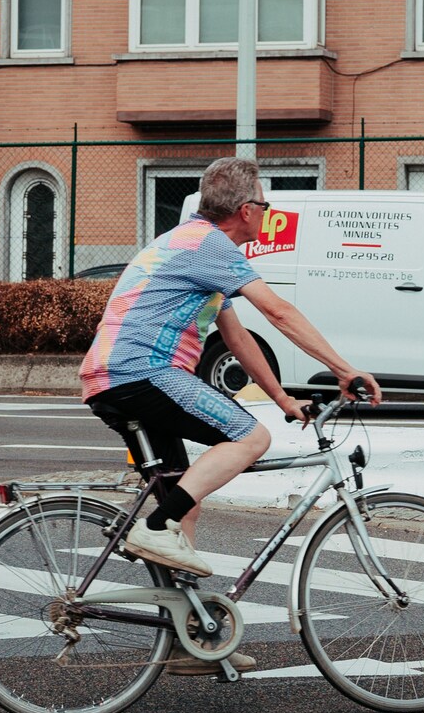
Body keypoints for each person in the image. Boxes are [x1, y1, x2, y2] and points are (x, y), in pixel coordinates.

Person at [80, 157, 383, 609]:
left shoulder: (190, 245)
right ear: (245, 209)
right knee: (249, 437)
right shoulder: (211, 247)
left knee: (186, 495)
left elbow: (237, 337)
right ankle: (156, 526)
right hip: (144, 372)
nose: (267, 212)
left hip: (112, 378)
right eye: (265, 204)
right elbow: (278, 312)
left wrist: (283, 398)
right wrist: (344, 370)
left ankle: (187, 633)